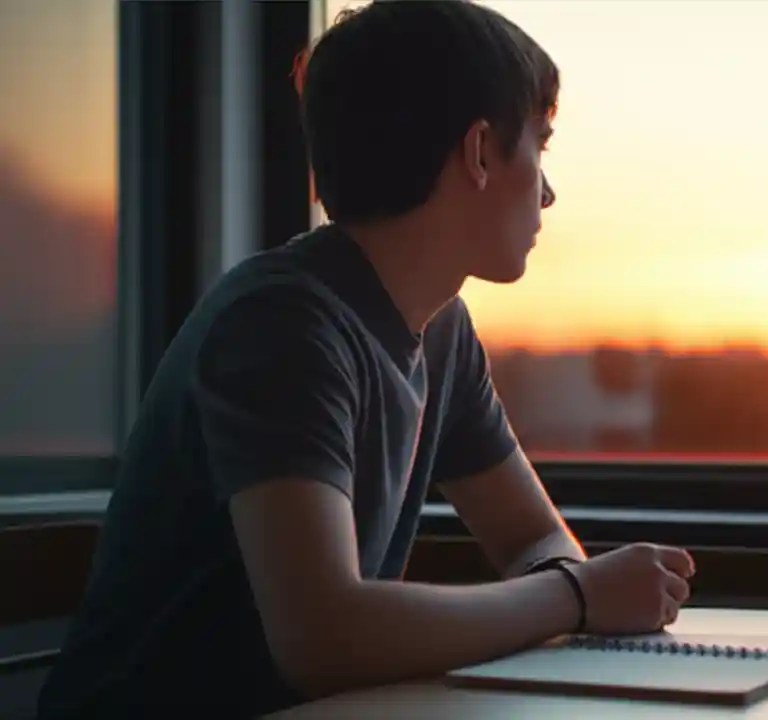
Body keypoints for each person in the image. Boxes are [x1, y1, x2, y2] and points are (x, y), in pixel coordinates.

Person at [37, 2, 695, 717]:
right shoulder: (282, 327)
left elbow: (532, 536)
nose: (547, 190)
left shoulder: (441, 333)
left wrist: (567, 588)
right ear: (479, 153)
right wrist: (573, 596)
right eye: (538, 144)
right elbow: (322, 637)